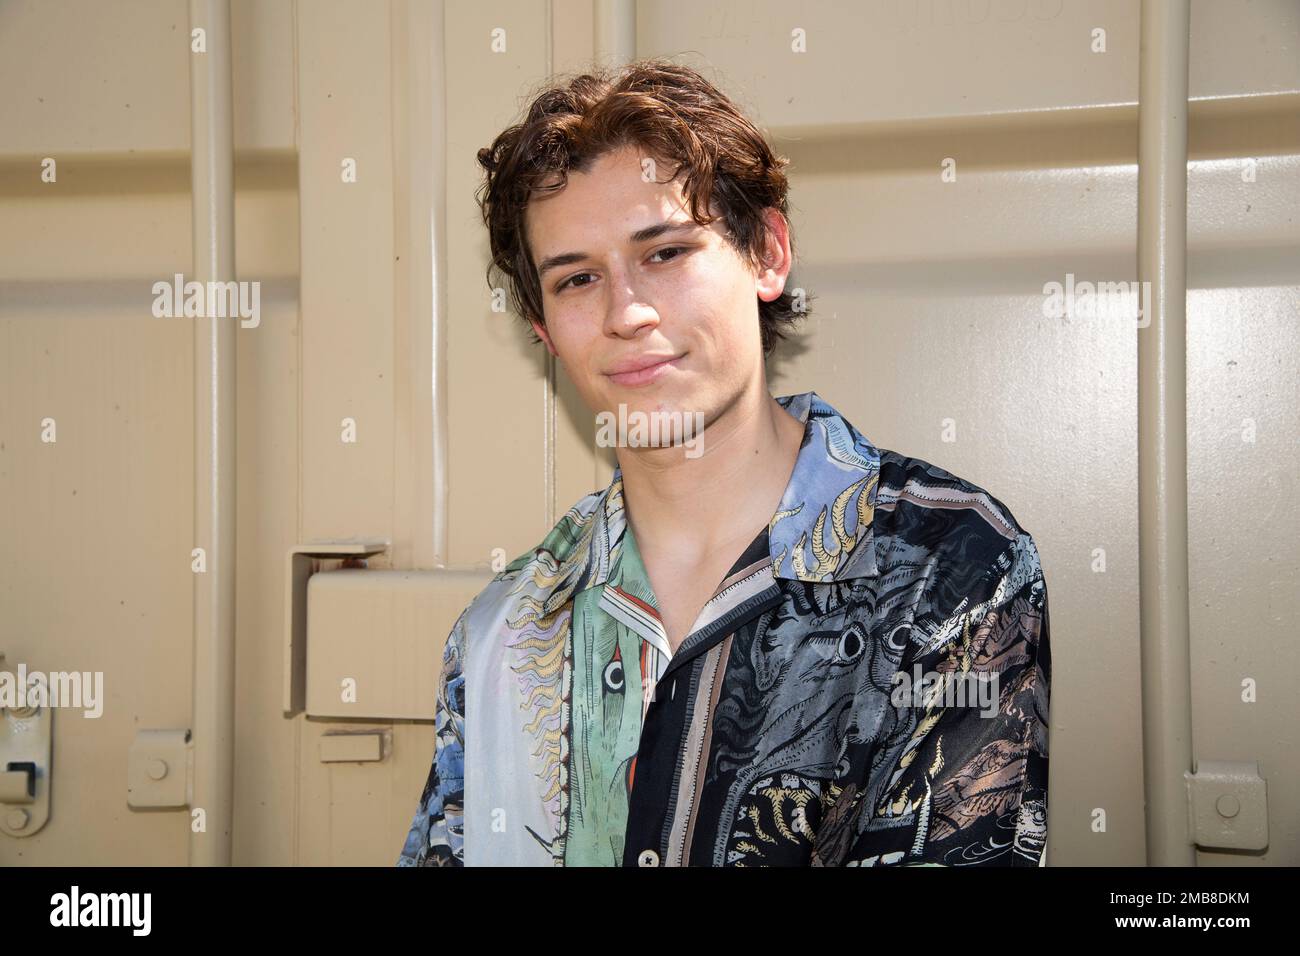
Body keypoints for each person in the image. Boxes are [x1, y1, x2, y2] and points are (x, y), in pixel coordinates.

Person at [398, 58, 1050, 867]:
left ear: (767, 253)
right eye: (576, 278)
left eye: (665, 253)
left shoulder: (947, 569)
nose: (626, 312)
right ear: (542, 326)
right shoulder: (502, 631)